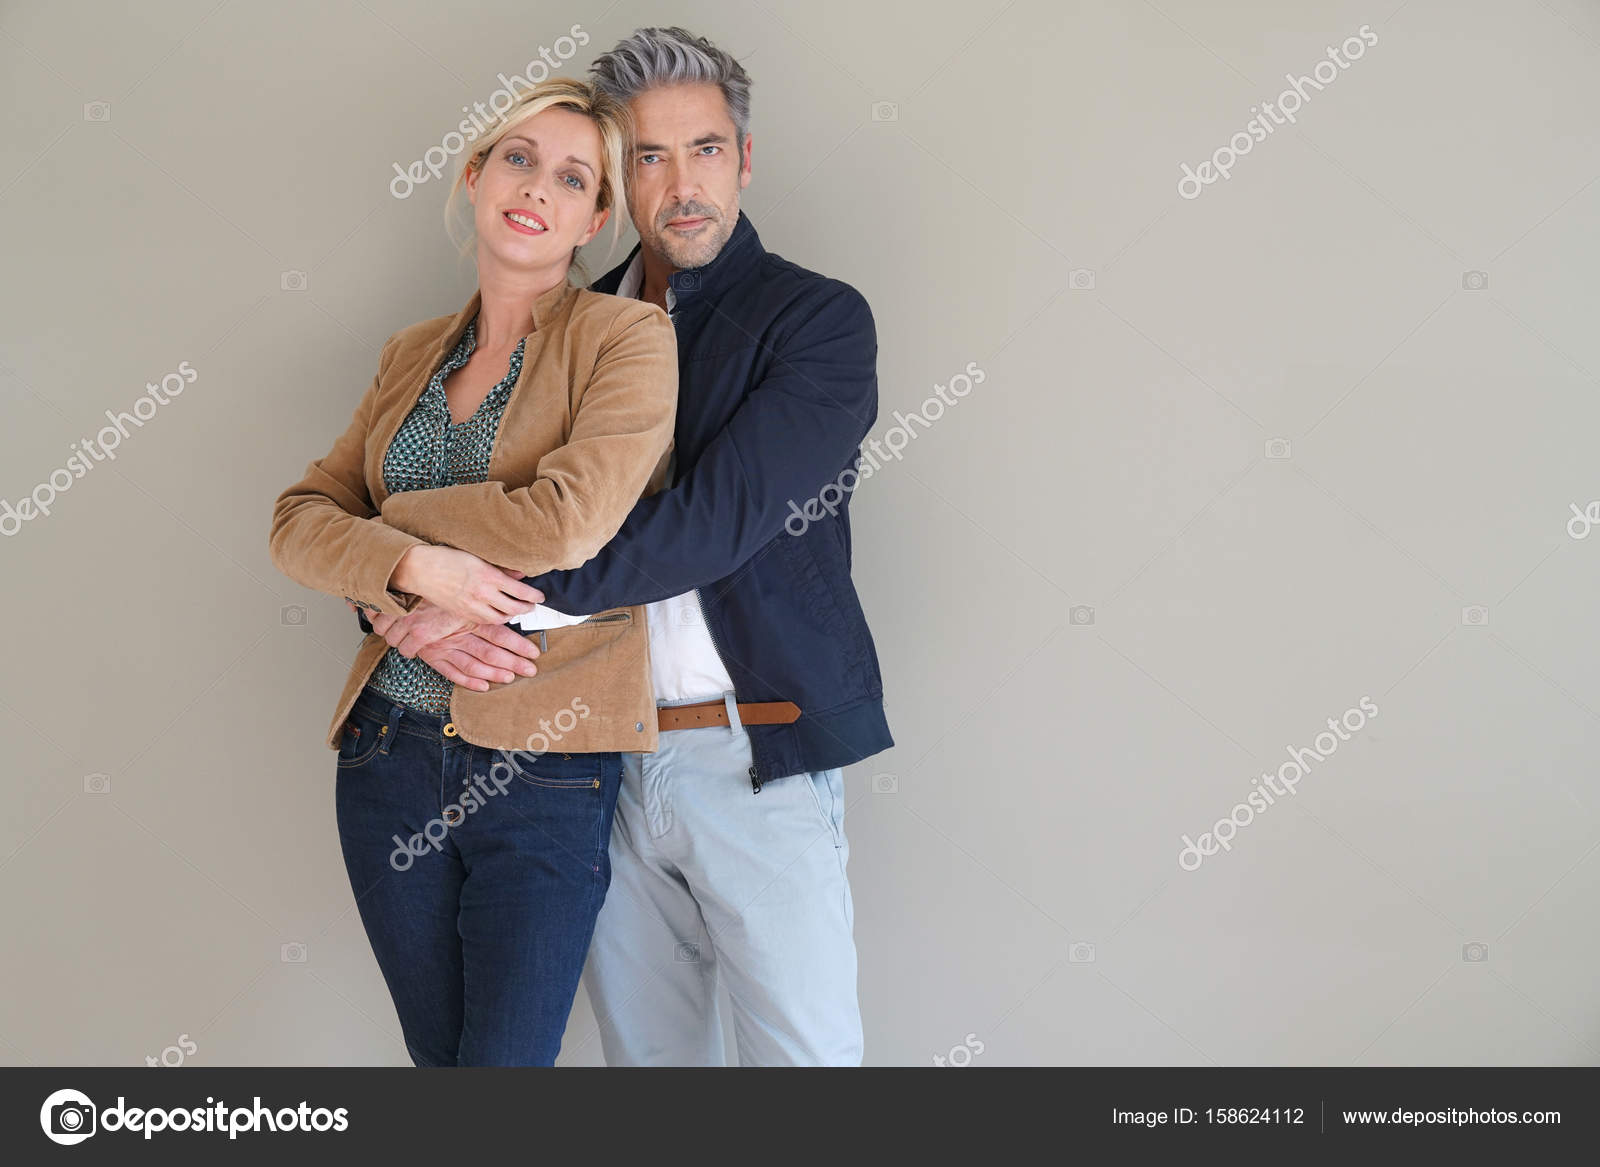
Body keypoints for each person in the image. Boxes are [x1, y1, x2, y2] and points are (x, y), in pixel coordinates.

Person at [367, 26, 893, 1065]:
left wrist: (481, 597)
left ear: (743, 157)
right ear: (615, 181)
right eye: (648, 157)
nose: (681, 182)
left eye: (704, 149)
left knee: (809, 1068)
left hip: (755, 755)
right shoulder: (562, 327)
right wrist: (396, 583)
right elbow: (428, 497)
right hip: (582, 763)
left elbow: (713, 526)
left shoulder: (817, 321)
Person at [267, 76, 677, 1066]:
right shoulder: (411, 354)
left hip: (546, 767)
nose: (538, 186)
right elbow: (295, 521)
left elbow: (569, 523)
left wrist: (396, 544)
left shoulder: (626, 338)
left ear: (595, 216)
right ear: (475, 174)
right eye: (519, 158)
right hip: (385, 757)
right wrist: (410, 574)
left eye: (572, 176)